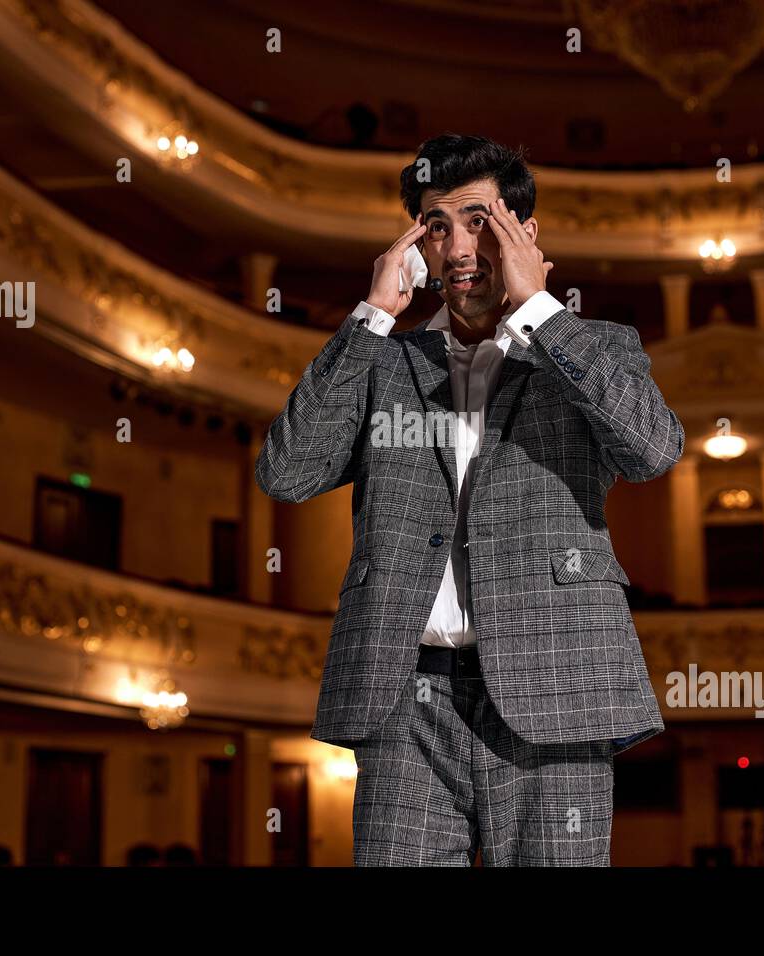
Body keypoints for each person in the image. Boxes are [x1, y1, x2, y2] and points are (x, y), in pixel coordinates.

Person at [256, 133, 685, 865]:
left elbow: (653, 449)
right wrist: (370, 315)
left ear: (524, 232)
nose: (458, 246)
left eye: (480, 221)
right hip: (402, 699)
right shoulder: (382, 360)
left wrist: (542, 312)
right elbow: (287, 471)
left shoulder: (595, 346)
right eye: (436, 225)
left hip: (559, 682)